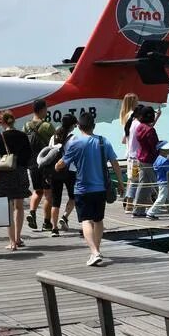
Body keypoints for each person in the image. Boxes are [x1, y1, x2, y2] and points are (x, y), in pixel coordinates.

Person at [55, 112, 124, 266]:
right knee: (98, 220)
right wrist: (120, 182)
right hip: (100, 188)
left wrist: (55, 163)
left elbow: (61, 165)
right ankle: (96, 250)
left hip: (82, 188)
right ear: (94, 126)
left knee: (86, 220)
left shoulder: (75, 143)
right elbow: (115, 163)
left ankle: (94, 251)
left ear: (79, 126)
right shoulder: (103, 141)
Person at [0, 110, 33, 251]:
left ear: (1, 122)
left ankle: (11, 242)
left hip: (5, 174)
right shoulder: (22, 135)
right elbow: (29, 153)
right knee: (19, 206)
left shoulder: (0, 136)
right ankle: (18, 237)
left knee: (8, 208)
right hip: (21, 172)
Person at [24, 99, 56, 232]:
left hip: (32, 163)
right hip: (45, 164)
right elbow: (55, 143)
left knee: (37, 191)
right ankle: (47, 223)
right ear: (42, 109)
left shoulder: (26, 126)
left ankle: (32, 212)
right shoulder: (47, 126)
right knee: (48, 194)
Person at [48, 113, 79, 236]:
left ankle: (54, 228)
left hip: (56, 170)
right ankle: (65, 216)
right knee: (73, 197)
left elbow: (50, 152)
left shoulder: (53, 136)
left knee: (56, 201)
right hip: (70, 170)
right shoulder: (74, 138)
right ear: (72, 125)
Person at [131, 106, 159, 217]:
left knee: (143, 184)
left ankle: (138, 209)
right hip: (150, 160)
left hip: (141, 158)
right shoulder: (150, 130)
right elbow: (155, 146)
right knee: (160, 184)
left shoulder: (140, 127)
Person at [146, 141, 169, 219]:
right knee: (161, 199)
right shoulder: (165, 161)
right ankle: (150, 213)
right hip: (165, 183)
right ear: (162, 150)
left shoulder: (158, 159)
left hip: (162, 181)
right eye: (167, 149)